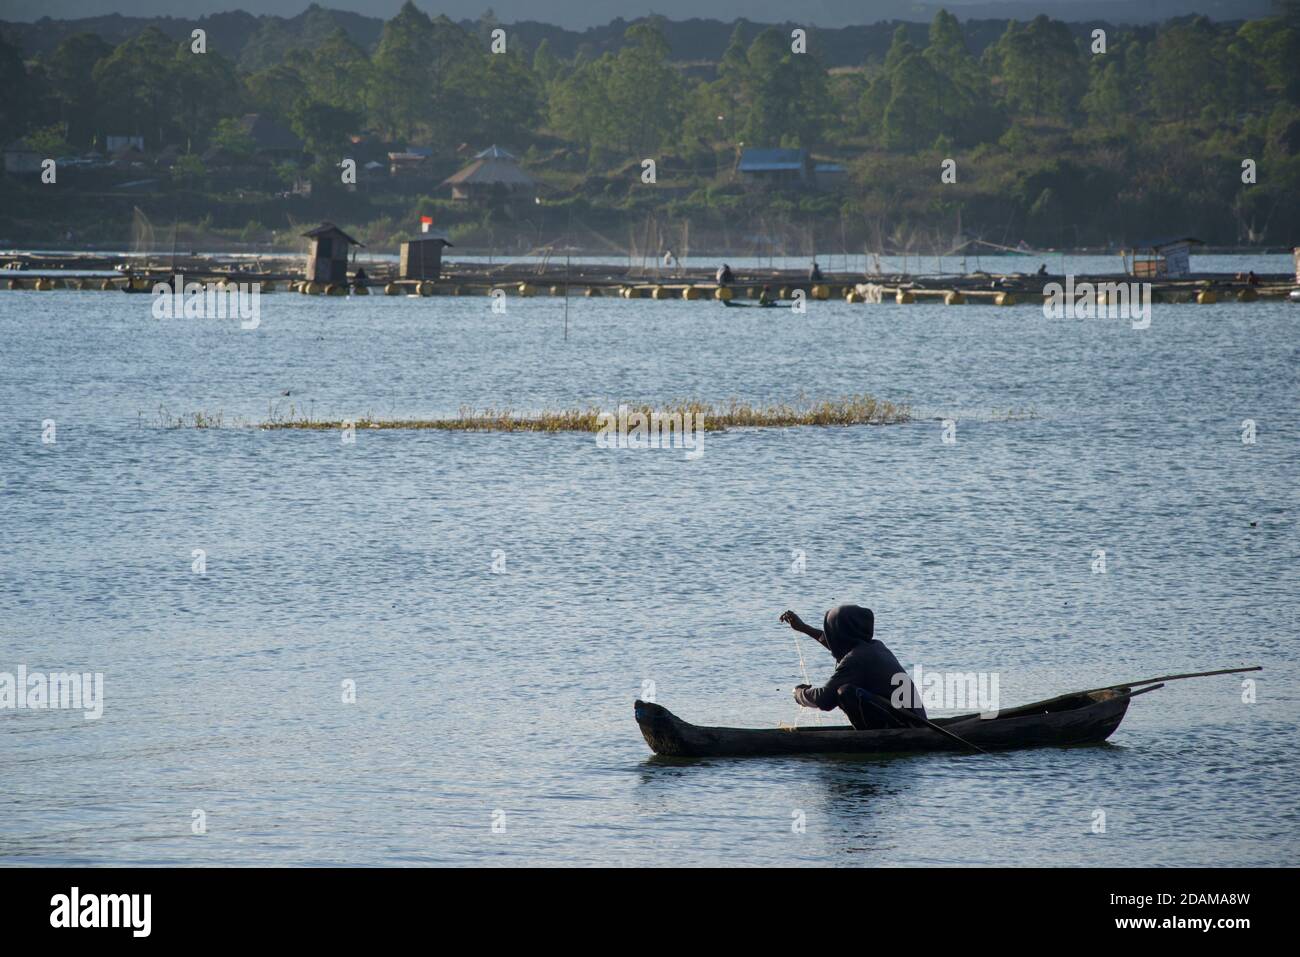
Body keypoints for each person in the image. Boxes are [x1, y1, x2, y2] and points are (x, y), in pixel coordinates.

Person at [780, 605, 927, 730]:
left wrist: (798, 693)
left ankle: (874, 739)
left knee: (846, 692)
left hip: (908, 724)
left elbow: (825, 699)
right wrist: (804, 628)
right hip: (914, 720)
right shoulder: (875, 647)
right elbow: (839, 645)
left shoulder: (857, 659)